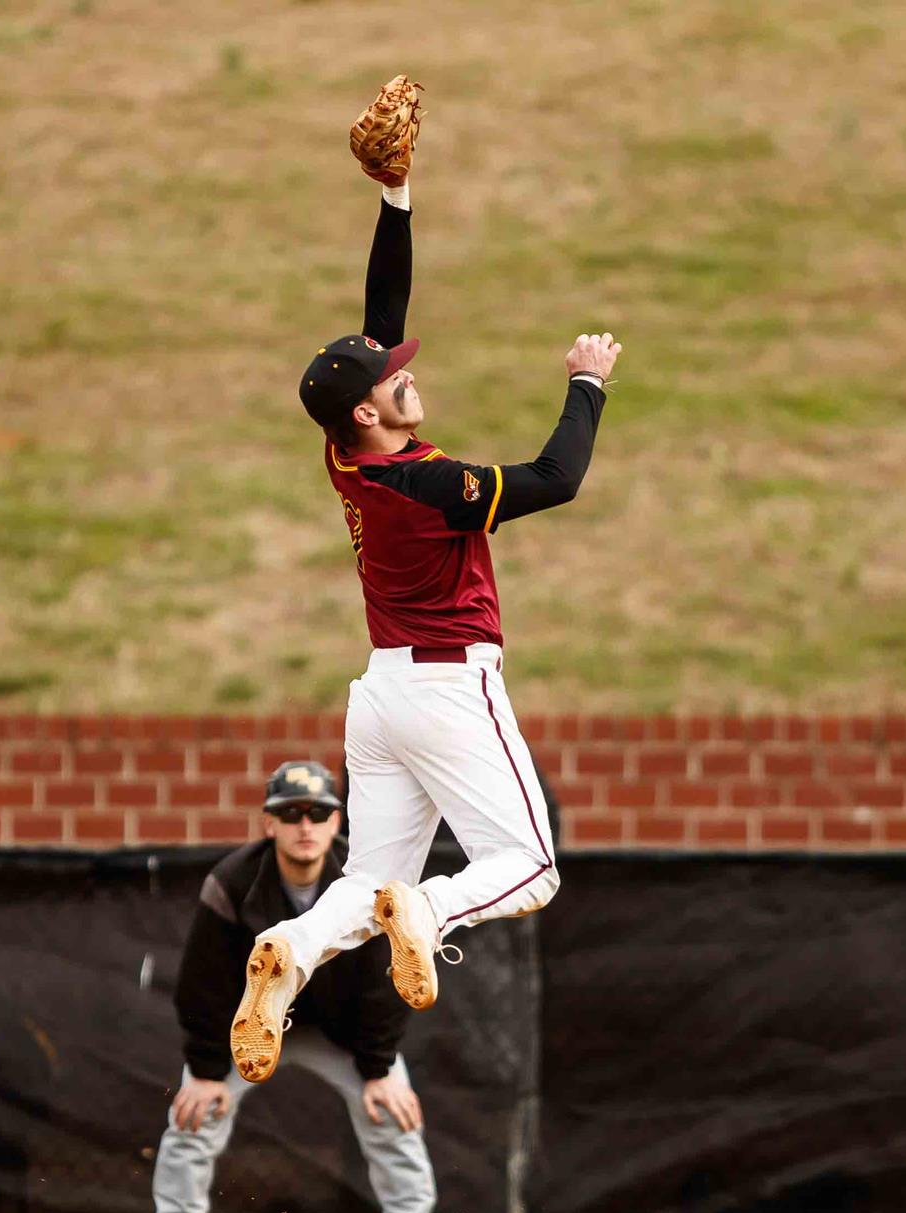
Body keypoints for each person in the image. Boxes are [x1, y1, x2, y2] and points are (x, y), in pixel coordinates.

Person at [228, 109, 622, 1083]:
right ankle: (433, 910)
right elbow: (555, 478)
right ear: (366, 412)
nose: (409, 377)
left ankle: (291, 956)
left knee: (367, 880)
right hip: (448, 688)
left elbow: (383, 312)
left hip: (381, 698)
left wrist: (393, 195)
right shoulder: (430, 488)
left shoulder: (349, 455)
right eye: (393, 382)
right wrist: (585, 385)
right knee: (528, 869)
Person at [147, 761, 439, 1213]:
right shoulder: (232, 883)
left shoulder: (369, 880)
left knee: (395, 1112)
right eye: (291, 813)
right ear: (269, 824)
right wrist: (207, 1069)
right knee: (193, 1117)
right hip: (252, 1025)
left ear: (336, 823)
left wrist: (377, 1069)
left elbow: (387, 979)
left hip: (346, 1036)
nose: (305, 825)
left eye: (319, 813)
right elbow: (203, 986)